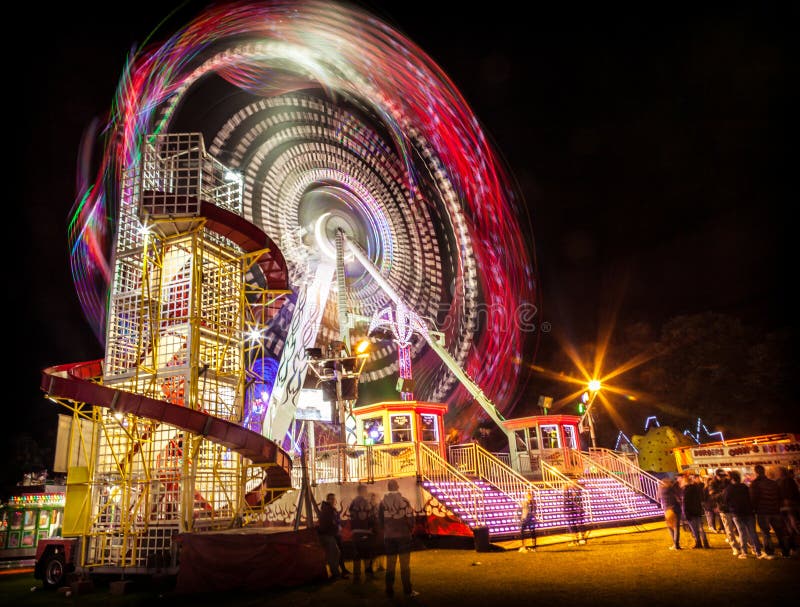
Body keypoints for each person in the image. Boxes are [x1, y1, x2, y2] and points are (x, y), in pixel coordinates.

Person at [380, 479, 418, 598]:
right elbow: (411, 518)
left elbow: (380, 521)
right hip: (403, 536)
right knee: (404, 565)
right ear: (397, 486)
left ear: (388, 487)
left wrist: (386, 530)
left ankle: (389, 590)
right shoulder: (404, 501)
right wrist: (409, 530)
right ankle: (407, 590)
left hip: (389, 537)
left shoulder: (382, 503)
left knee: (390, 565)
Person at [723, 470, 772, 559]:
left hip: (737, 513)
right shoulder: (744, 487)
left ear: (731, 479)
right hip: (748, 512)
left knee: (742, 533)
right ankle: (758, 552)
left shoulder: (729, 489)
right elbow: (750, 497)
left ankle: (744, 552)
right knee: (752, 532)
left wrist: (730, 508)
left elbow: (725, 501)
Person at [750, 464, 790, 557]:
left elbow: (753, 499)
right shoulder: (773, 483)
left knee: (765, 532)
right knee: (780, 532)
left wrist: (754, 509)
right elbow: (779, 496)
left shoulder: (755, 484)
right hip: (775, 510)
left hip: (763, 511)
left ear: (756, 472)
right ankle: (786, 552)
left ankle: (770, 552)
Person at [709, 468, 742, 556]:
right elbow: (712, 497)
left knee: (739, 528)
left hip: (732, 507)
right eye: (721, 476)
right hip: (723, 508)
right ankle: (734, 547)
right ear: (716, 476)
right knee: (729, 529)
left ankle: (744, 544)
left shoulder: (728, 481)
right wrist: (724, 493)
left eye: (724, 476)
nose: (723, 478)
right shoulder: (712, 483)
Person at [318, 493, 350, 579]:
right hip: (328, 535)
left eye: (333, 499)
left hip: (331, 534)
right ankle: (336, 574)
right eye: (331, 499)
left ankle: (337, 573)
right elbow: (329, 523)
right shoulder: (328, 510)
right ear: (327, 500)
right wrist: (335, 527)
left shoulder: (330, 509)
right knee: (334, 554)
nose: (332, 501)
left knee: (336, 553)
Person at [348, 484, 375, 581]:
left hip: (356, 532)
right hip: (365, 531)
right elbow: (370, 517)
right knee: (367, 554)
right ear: (362, 491)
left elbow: (352, 517)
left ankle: (357, 576)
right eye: (365, 490)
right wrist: (371, 528)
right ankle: (368, 575)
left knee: (357, 555)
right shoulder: (366, 502)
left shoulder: (353, 503)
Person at [681, 474, 710, 548]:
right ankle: (705, 543)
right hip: (697, 511)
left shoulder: (686, 490)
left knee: (694, 529)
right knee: (701, 528)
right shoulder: (696, 488)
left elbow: (685, 503)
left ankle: (698, 543)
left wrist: (685, 513)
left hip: (690, 512)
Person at [777, 467, 800, 553]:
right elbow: (796, 493)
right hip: (789, 507)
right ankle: (793, 546)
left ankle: (792, 546)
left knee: (790, 527)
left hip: (786, 507)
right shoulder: (791, 481)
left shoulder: (781, 482)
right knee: (792, 527)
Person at [658, 477, 682, 550]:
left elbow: (658, 498)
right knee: (676, 527)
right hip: (676, 508)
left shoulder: (661, 490)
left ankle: (675, 544)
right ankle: (677, 545)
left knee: (670, 527)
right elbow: (678, 498)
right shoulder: (673, 489)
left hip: (668, 510)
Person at [369, 491, 386, 573]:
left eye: (374, 498)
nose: (373, 500)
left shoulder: (379, 508)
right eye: (372, 498)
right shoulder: (369, 508)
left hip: (379, 530)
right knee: (374, 550)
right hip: (373, 531)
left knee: (381, 549)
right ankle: (371, 566)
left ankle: (381, 565)